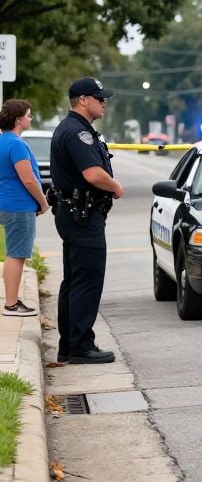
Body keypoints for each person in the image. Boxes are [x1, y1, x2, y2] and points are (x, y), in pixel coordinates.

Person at [50, 77, 123, 364]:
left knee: (75, 280)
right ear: (83, 100)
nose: (103, 102)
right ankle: (81, 345)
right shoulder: (77, 133)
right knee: (87, 281)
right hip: (82, 216)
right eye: (99, 97)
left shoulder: (75, 129)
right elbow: (93, 174)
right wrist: (116, 187)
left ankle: (69, 345)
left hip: (75, 214)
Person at [0, 99, 49, 317]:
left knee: (14, 253)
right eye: (28, 115)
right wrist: (43, 202)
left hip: (6, 202)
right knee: (16, 254)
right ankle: (11, 304)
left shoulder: (3, 141)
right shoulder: (16, 144)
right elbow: (28, 180)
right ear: (19, 119)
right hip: (19, 206)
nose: (30, 118)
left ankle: (12, 301)